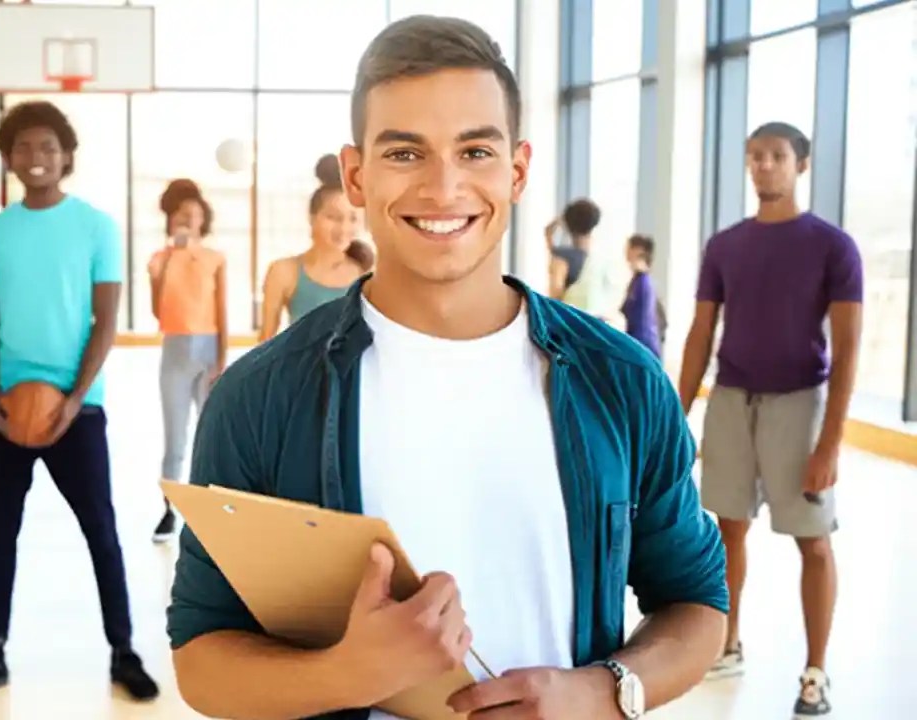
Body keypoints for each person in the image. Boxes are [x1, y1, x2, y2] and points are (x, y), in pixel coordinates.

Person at [167, 16, 728, 720]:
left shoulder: (621, 380)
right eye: (405, 154)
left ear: (516, 170)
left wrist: (604, 691)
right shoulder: (262, 394)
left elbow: (697, 603)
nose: (443, 187)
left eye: (475, 152)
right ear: (356, 175)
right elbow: (201, 657)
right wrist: (350, 673)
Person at [0, 100, 159, 704]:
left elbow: (105, 322)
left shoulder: (96, 227)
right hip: (6, 409)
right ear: (7, 157)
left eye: (48, 147)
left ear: (67, 157)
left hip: (76, 411)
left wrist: (74, 398)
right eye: (24, 147)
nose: (37, 158)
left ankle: (123, 650)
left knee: (101, 532)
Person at [679, 121, 862, 718]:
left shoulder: (833, 247)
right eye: (754, 156)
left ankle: (815, 670)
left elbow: (850, 348)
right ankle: (726, 643)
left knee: (812, 541)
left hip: (799, 406)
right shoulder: (725, 246)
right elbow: (701, 333)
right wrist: (674, 416)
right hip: (733, 401)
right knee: (727, 529)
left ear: (800, 165)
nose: (763, 166)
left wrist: (830, 442)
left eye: (776, 157)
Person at [148, 179, 227, 544]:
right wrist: (167, 267)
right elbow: (156, 311)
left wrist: (222, 360)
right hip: (175, 350)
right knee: (175, 437)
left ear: (202, 220)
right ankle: (168, 511)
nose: (188, 221)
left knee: (211, 434)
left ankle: (211, 511)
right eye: (182, 216)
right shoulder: (160, 260)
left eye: (194, 216)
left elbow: (222, 312)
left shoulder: (215, 259)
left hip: (209, 350)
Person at [257, 154, 374, 342]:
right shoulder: (284, 271)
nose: (344, 228)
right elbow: (265, 342)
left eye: (352, 219)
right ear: (312, 218)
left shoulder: (365, 273)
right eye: (333, 217)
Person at [544, 198, 599, 300]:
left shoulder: (562, 256)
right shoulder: (597, 258)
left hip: (568, 312)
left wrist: (562, 218)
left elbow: (555, 293)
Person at [620, 234, 664, 359]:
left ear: (638, 250)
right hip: (638, 344)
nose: (626, 252)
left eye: (629, 248)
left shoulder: (643, 281)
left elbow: (643, 320)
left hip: (642, 346)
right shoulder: (639, 280)